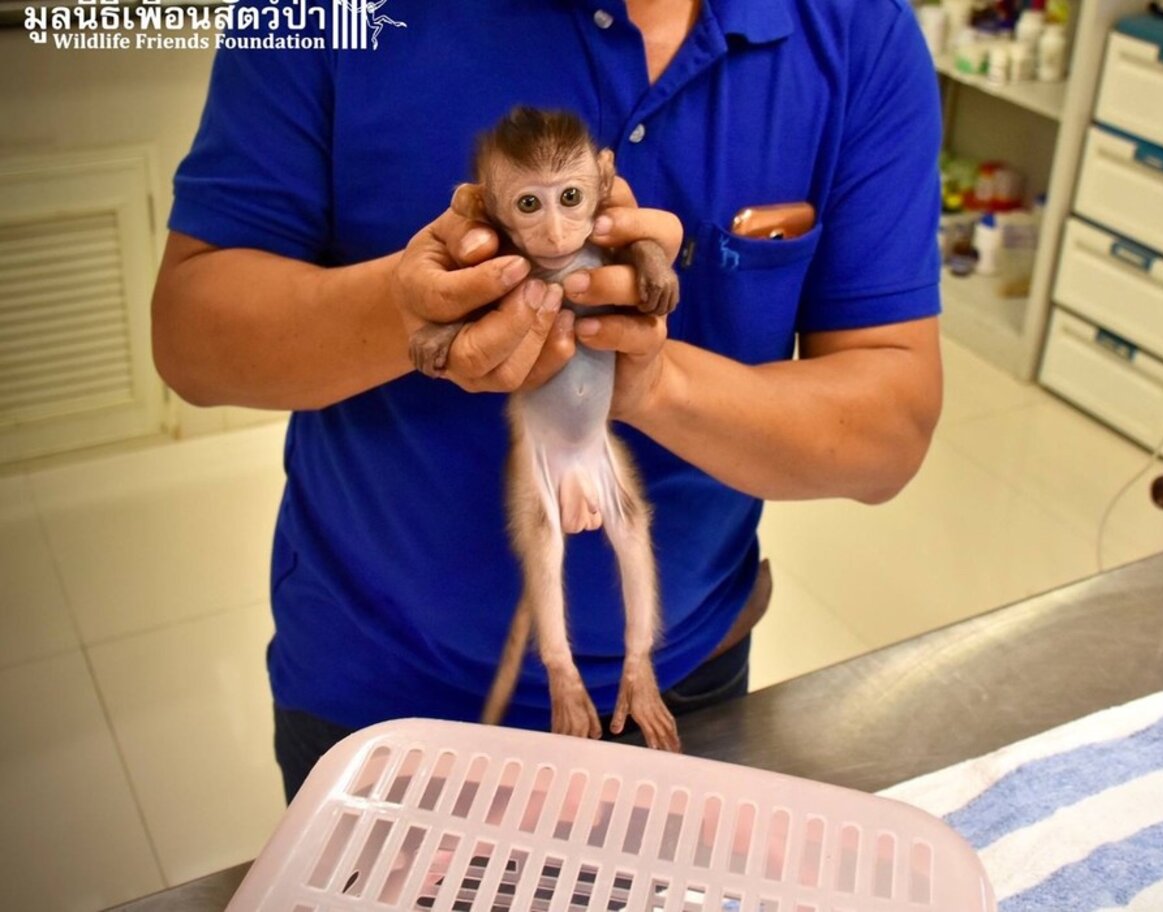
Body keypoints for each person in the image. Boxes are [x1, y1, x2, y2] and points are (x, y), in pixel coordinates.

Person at [152, 0, 943, 800]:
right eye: (528, 207)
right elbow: (192, 338)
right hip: (377, 702)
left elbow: (889, 430)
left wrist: (652, 379)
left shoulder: (857, 32)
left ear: (600, 182)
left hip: (685, 678)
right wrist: (408, 308)